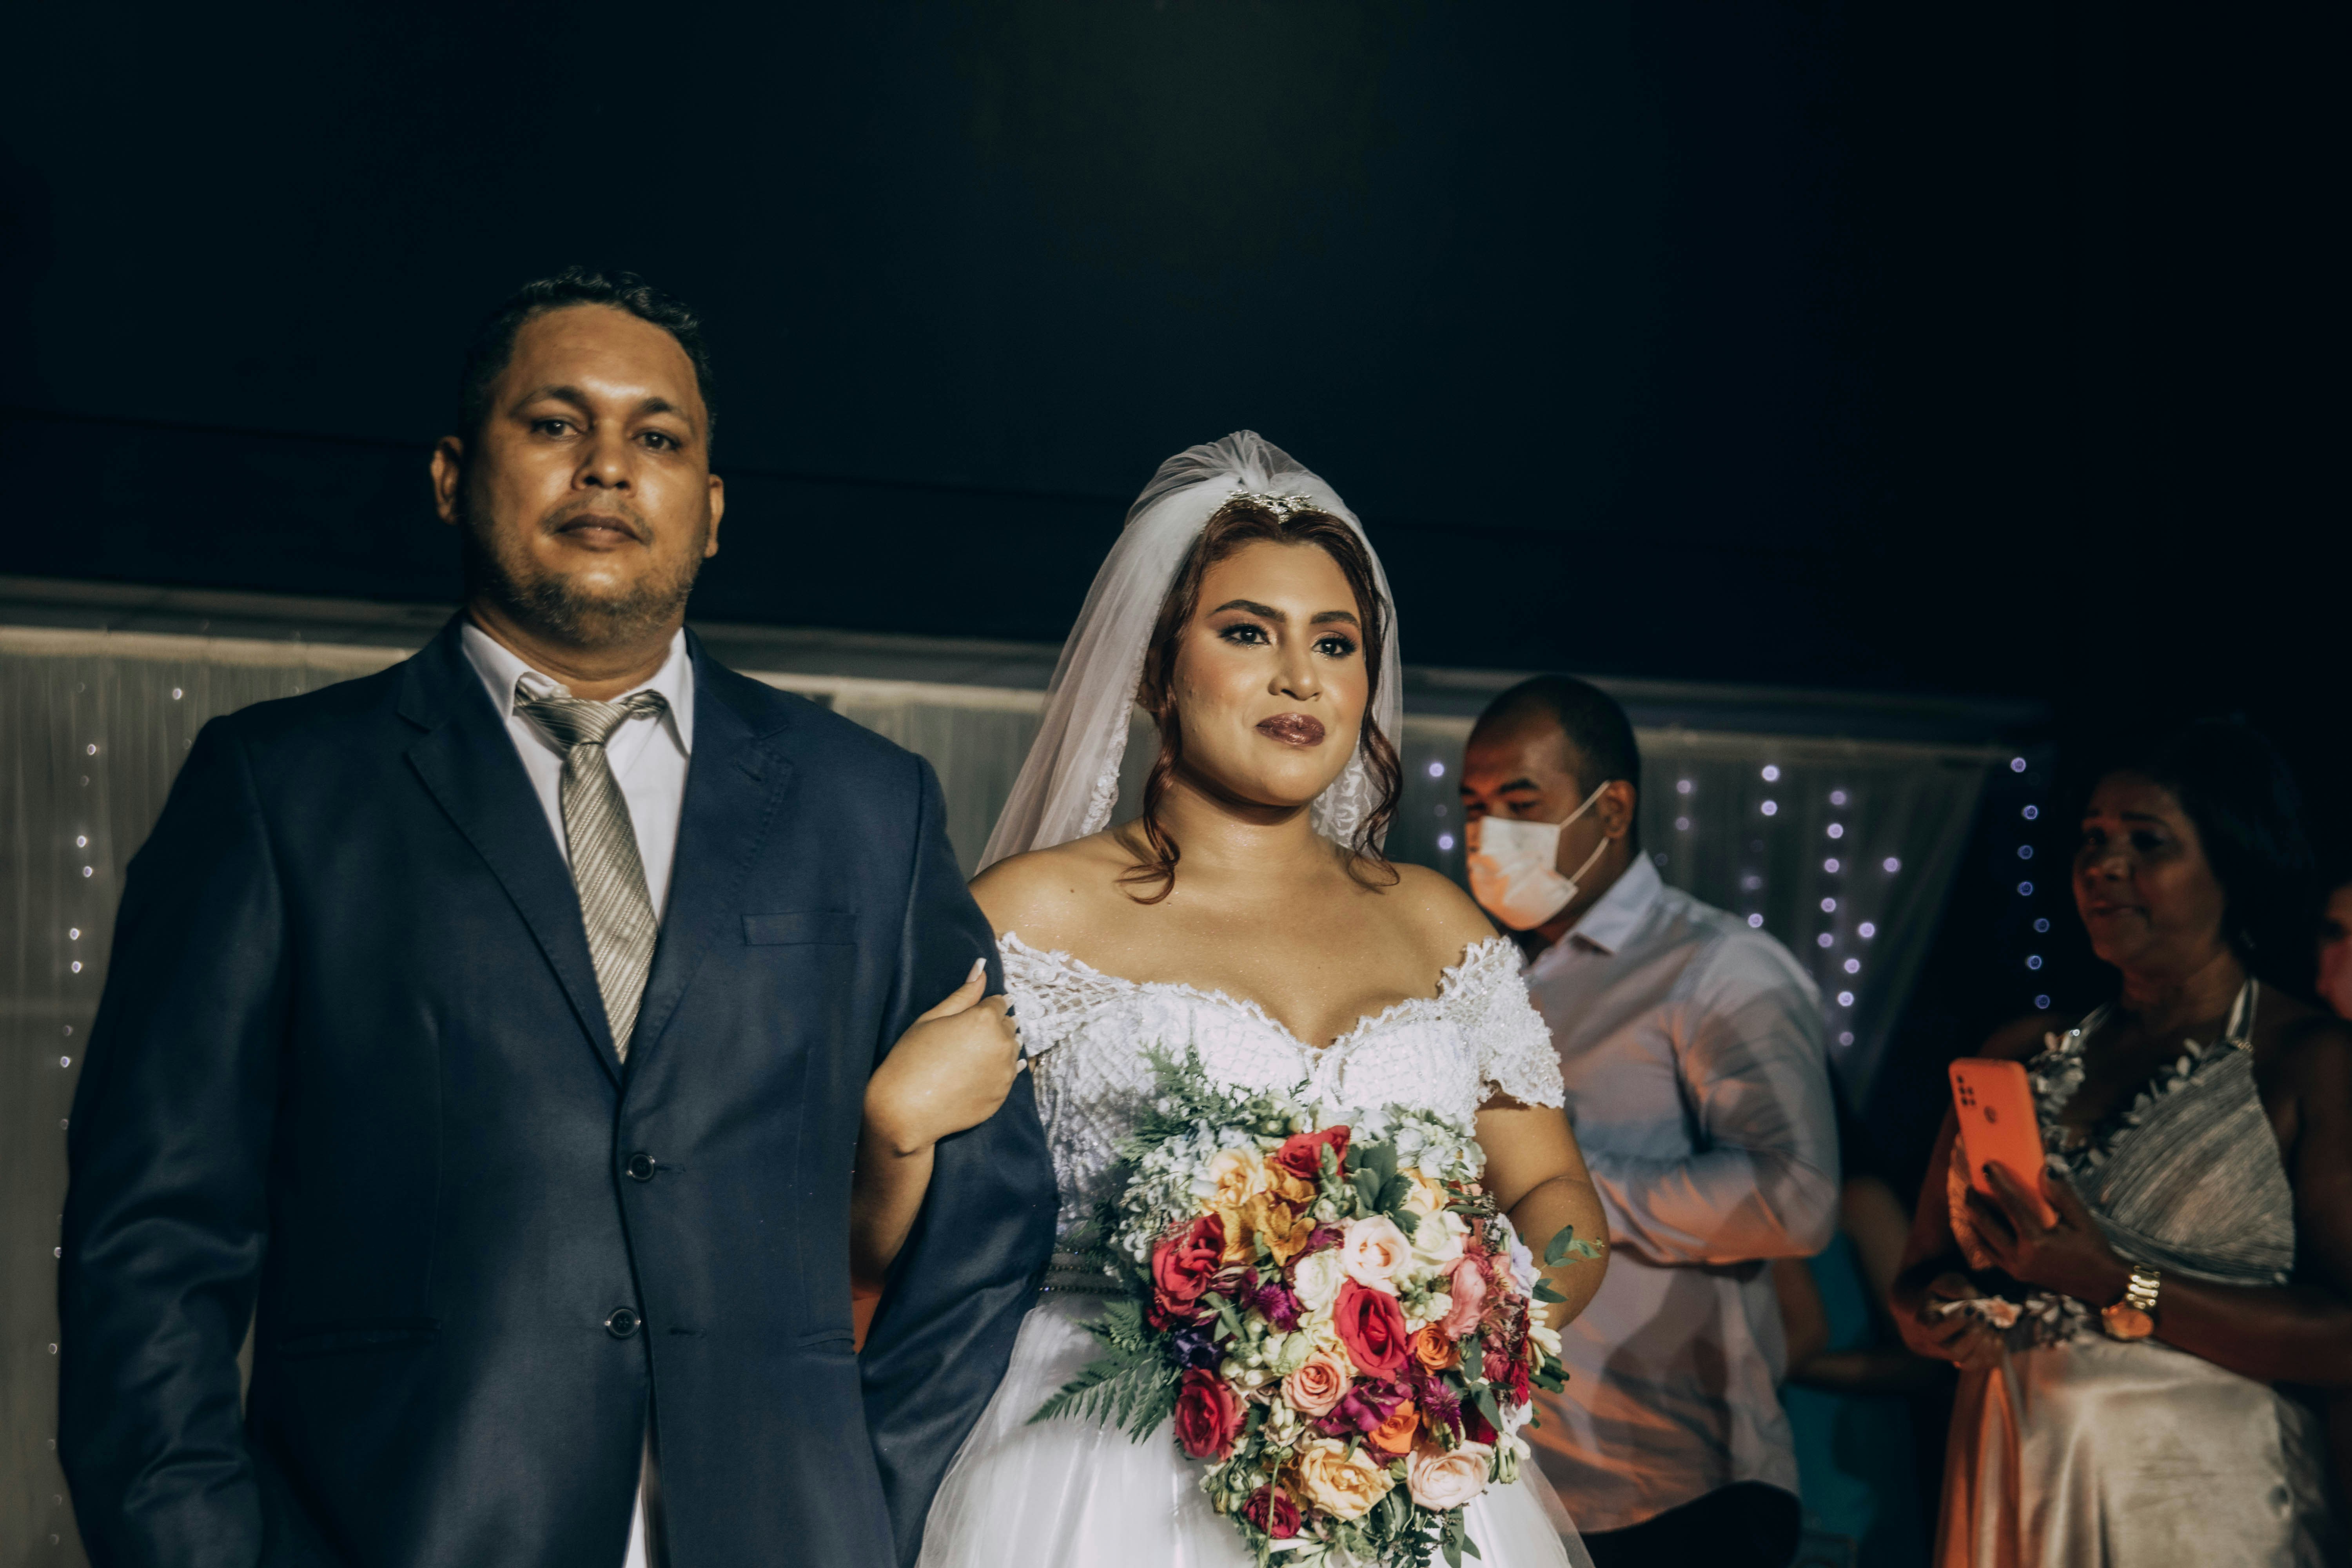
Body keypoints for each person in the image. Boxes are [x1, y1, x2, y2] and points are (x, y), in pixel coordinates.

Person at [57, 268, 1057, 1568]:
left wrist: (862, 1498)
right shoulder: (277, 791)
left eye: (658, 438)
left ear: (711, 511)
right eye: (554, 424)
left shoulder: (871, 805)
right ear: (450, 476)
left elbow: (988, 1220)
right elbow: (152, 1248)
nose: (607, 467)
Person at [853, 432, 1612, 1568]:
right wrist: (891, 1128)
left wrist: (1466, 1331)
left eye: (1335, 643)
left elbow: (1557, 1195)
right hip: (1098, 1481)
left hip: (1394, 1470)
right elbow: (878, 1255)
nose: (1300, 677)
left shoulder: (1438, 923)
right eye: (1249, 632)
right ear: (1156, 669)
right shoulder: (1033, 911)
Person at [1892, 719, 2352, 1566]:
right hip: (2018, 1486)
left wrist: (2116, 1279)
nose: (2104, 865)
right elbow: (1916, 1276)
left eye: (2147, 842)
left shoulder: (2308, 1059)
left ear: (2234, 865)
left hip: (2204, 1511)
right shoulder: (2018, 1051)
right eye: (2093, 839)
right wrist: (1939, 1316)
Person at [1457, 676, 1839, 1568]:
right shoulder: (1491, 975)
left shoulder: (1717, 966)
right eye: (1474, 807)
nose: (1488, 832)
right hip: (1523, 1472)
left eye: (1521, 802)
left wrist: (1558, 1189)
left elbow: (1798, 1197)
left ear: (1612, 808)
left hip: (1679, 1477)